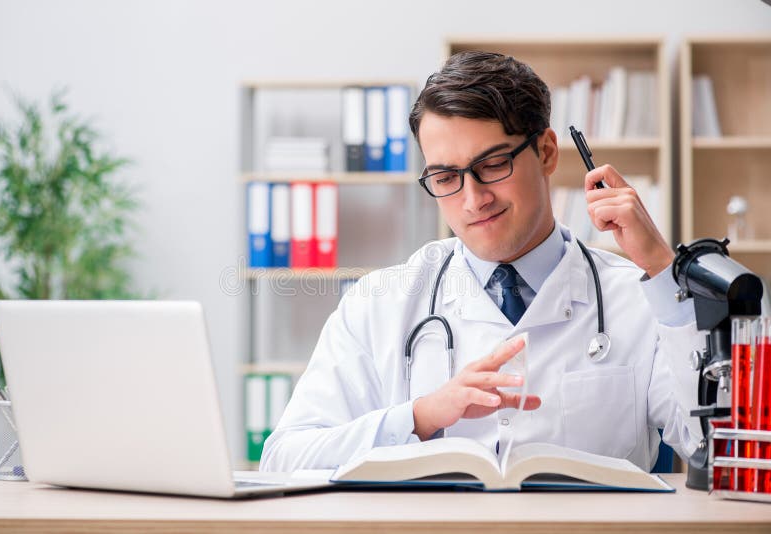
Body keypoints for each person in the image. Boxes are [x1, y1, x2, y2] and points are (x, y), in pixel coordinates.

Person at [260, 51, 704, 473]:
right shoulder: (379, 303)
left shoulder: (642, 297)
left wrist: (664, 271)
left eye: (492, 165)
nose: (473, 200)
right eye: (445, 177)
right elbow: (285, 459)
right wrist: (419, 417)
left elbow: (716, 448)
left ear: (547, 153)